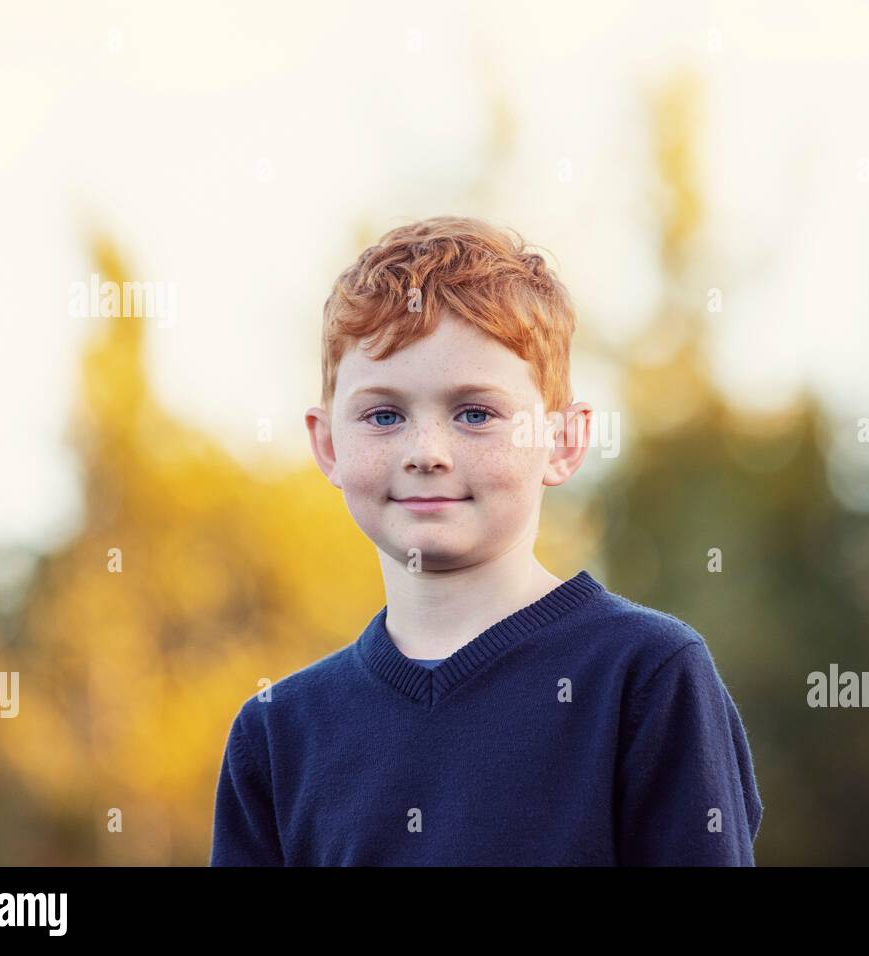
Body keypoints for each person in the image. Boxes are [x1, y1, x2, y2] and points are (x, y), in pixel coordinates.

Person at [209, 216, 763, 865]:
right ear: (328, 443)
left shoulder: (646, 677)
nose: (427, 453)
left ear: (562, 441)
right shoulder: (278, 733)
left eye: (476, 414)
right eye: (383, 415)